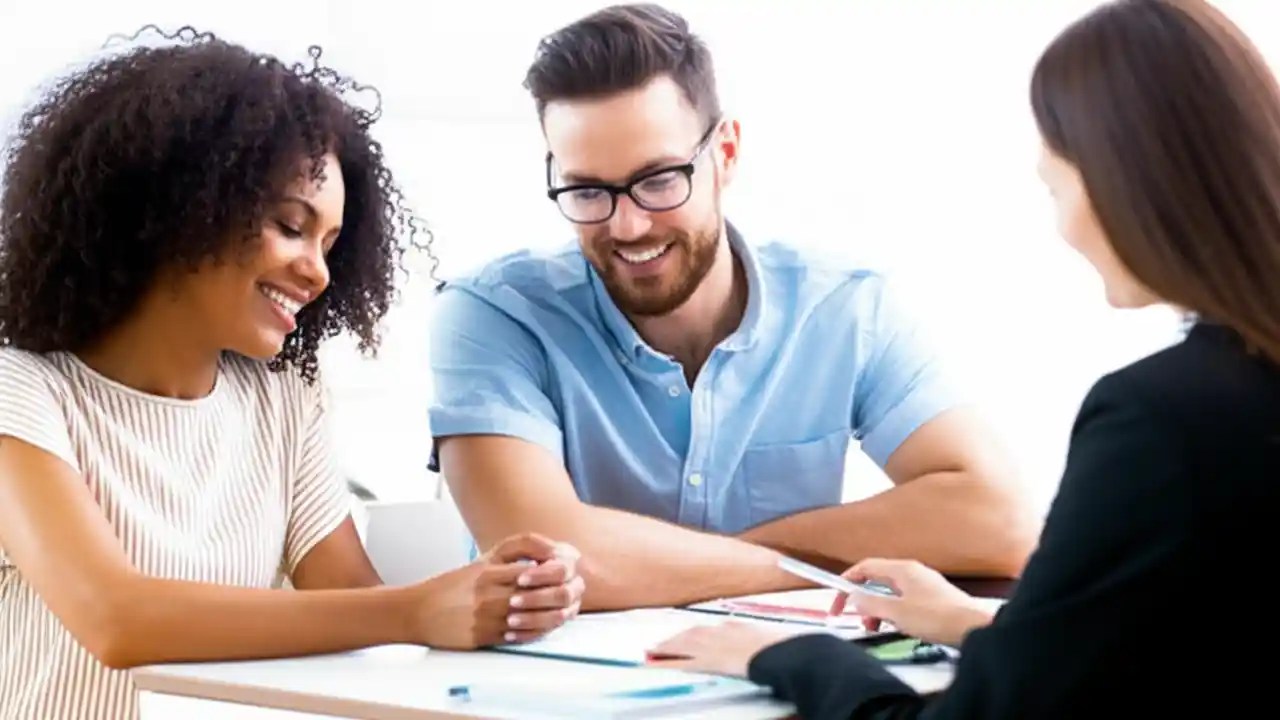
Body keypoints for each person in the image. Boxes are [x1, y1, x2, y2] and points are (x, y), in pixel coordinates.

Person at [645, 0, 1280, 716]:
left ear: (1123, 183)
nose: (1062, 225)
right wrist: (983, 623)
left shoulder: (1160, 421)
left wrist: (783, 654)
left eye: (1054, 185)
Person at [0, 29, 583, 720]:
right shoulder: (25, 391)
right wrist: (420, 609)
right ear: (181, 205)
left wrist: (493, 594)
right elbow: (115, 618)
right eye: (290, 225)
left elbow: (354, 608)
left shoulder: (283, 398)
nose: (318, 271)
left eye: (331, 243)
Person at [428, 2, 1041, 612]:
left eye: (660, 179)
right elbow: (545, 560)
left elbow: (1001, 520)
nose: (630, 224)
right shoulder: (492, 315)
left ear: (724, 154)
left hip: (774, 686)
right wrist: (803, 567)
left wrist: (681, 565)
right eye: (588, 190)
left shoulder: (844, 308)